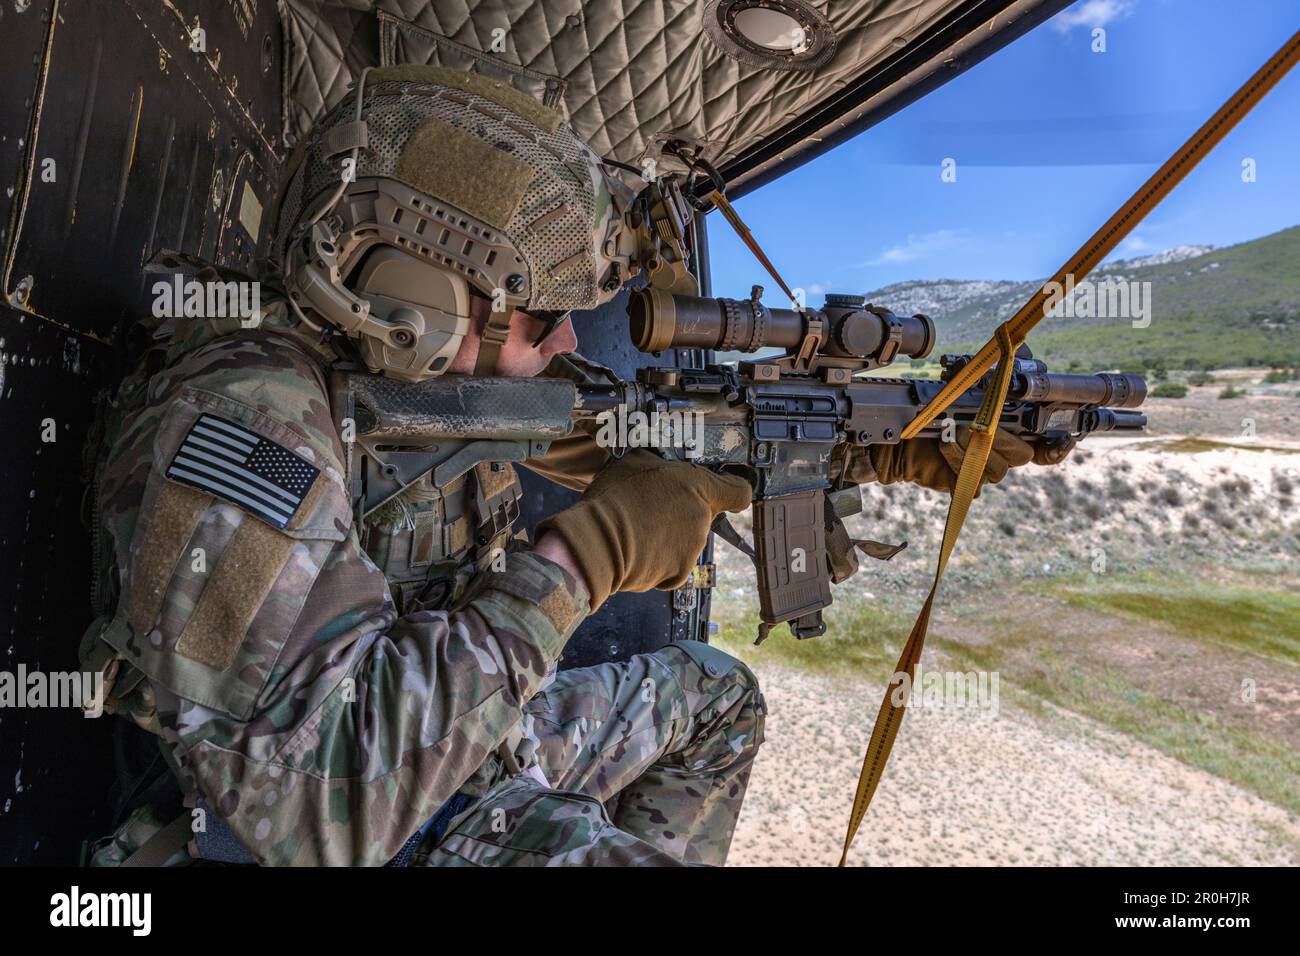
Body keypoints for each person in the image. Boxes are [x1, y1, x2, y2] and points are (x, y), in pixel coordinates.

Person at [81, 65, 1046, 867]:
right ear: (414, 294)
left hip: (463, 751)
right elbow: (320, 808)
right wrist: (583, 560)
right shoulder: (240, 428)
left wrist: (899, 447)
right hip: (309, 821)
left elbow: (651, 435)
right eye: (538, 317)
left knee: (718, 696)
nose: (559, 346)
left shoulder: (396, 386)